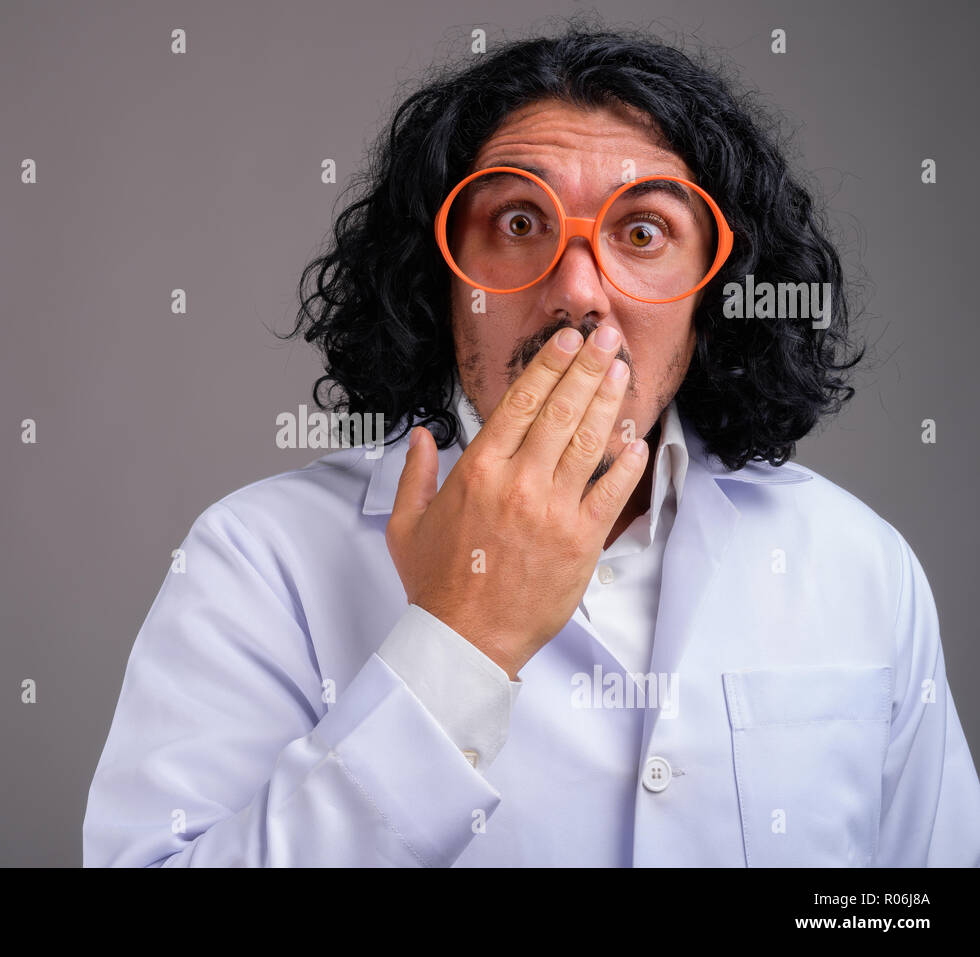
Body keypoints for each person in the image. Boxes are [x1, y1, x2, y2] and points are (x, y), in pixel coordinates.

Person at [82, 26, 980, 866]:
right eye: (519, 224)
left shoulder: (857, 562)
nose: (578, 291)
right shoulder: (257, 557)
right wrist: (461, 642)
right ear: (437, 279)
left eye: (642, 232)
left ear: (713, 294)